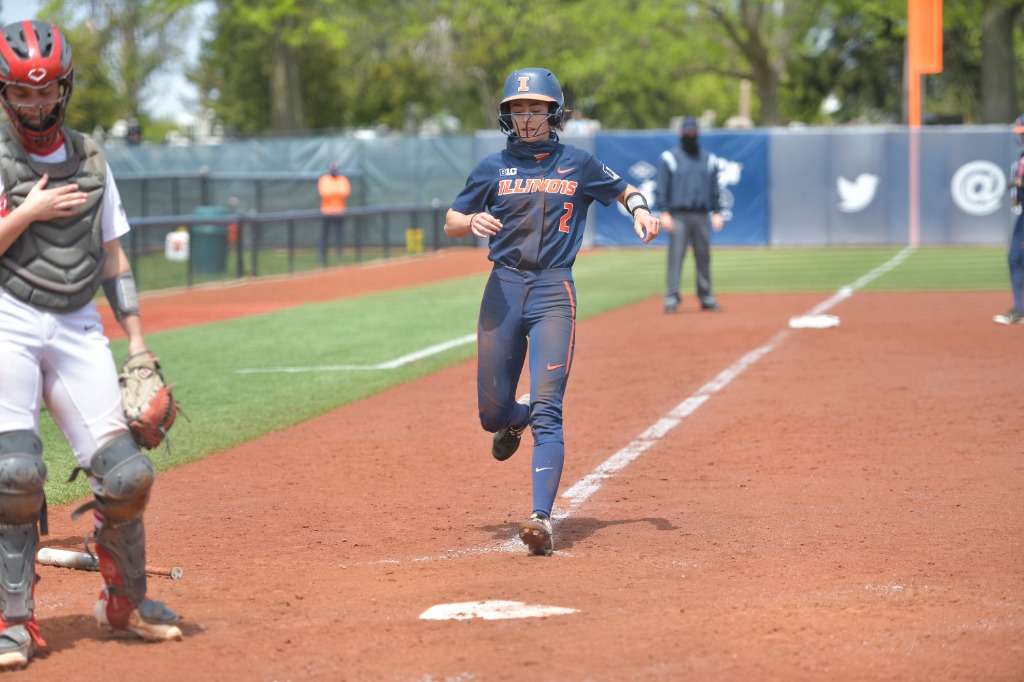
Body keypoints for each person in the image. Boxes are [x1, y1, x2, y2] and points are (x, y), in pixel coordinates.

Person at [0, 20, 181, 669]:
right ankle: (12, 623)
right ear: (4, 93)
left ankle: (123, 602)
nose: (35, 106)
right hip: (10, 317)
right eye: (21, 94)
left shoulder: (92, 159)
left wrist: (137, 347)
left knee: (128, 474)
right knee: (13, 477)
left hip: (78, 323)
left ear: (65, 88)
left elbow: (114, 258)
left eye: (45, 93)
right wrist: (27, 213)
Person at [444, 67, 660, 556]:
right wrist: (469, 219)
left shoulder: (577, 163)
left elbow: (625, 191)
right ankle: (512, 418)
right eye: (517, 109)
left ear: (553, 112)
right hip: (502, 288)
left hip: (552, 291)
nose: (526, 117)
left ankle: (541, 517)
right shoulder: (490, 168)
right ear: (506, 115)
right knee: (490, 414)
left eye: (535, 108)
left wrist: (641, 211)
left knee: (550, 407)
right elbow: (452, 219)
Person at [656, 115, 725, 313]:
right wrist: (664, 211)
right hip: (678, 214)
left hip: (702, 214)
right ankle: (672, 297)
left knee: (703, 257)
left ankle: (706, 296)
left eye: (693, 132)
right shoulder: (669, 157)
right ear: (681, 133)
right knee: (676, 256)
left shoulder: (708, 159)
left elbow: (714, 188)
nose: (690, 135)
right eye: (687, 132)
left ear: (698, 133)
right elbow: (662, 187)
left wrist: (717, 211)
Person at [998, 114, 1024, 325]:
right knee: (1015, 258)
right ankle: (1019, 309)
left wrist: (1017, 184)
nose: (1021, 137)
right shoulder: (1022, 156)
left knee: (1016, 258)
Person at [317, 161, 350, 263]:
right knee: (324, 234)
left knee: (339, 234)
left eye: (335, 169)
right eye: (332, 169)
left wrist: (333, 192)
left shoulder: (342, 179)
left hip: (339, 211)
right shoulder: (324, 179)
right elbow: (325, 193)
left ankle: (340, 252)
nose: (334, 171)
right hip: (326, 211)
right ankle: (322, 254)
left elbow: (345, 192)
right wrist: (336, 192)